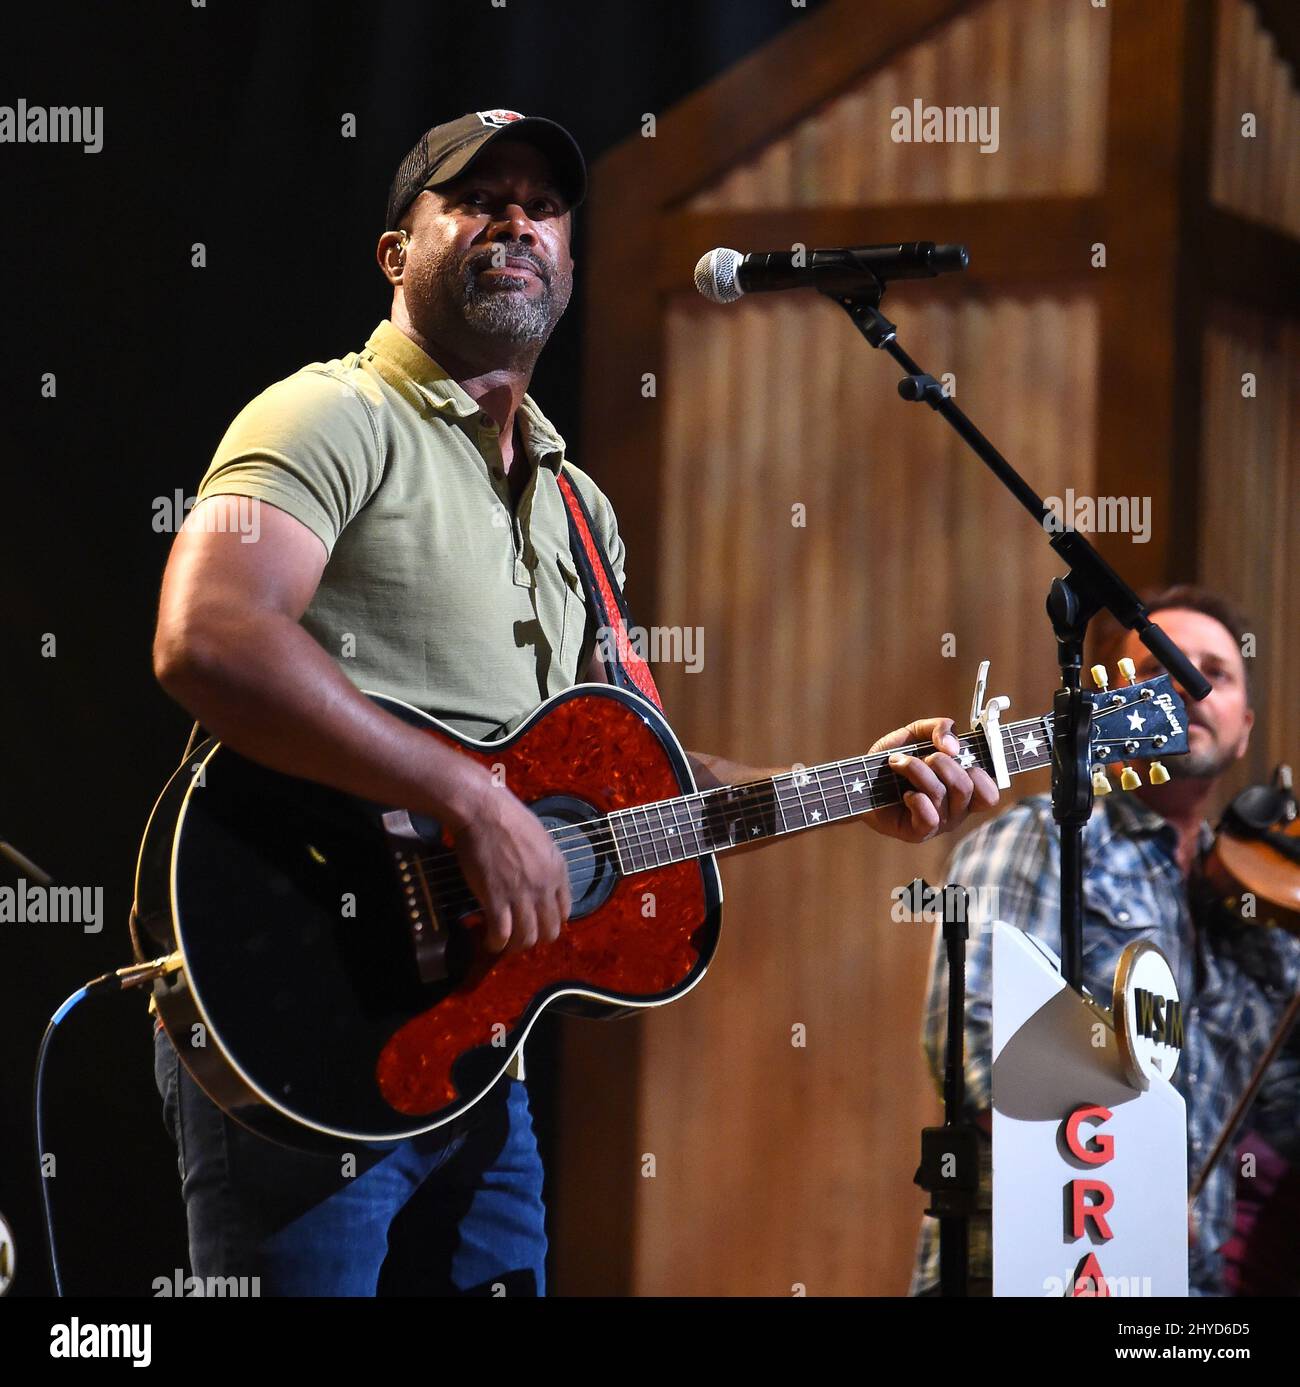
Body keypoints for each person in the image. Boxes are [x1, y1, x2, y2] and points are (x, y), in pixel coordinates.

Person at [149, 109, 1000, 1296]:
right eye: (476, 197)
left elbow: (627, 779)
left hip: (482, 1056)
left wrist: (857, 789)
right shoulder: (327, 417)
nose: (516, 219)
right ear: (397, 253)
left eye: (541, 206)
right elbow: (209, 636)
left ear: (567, 257)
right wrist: (466, 799)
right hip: (306, 1008)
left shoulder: (579, 508)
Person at [909, 585, 1300, 1297]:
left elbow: (1284, 1110)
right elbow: (979, 1045)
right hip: (1045, 1268)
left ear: (1245, 727)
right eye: (1160, 669)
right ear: (1114, 704)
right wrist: (1137, 1187)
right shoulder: (1040, 839)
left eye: (1214, 671)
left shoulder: (1264, 911)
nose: (1186, 686)